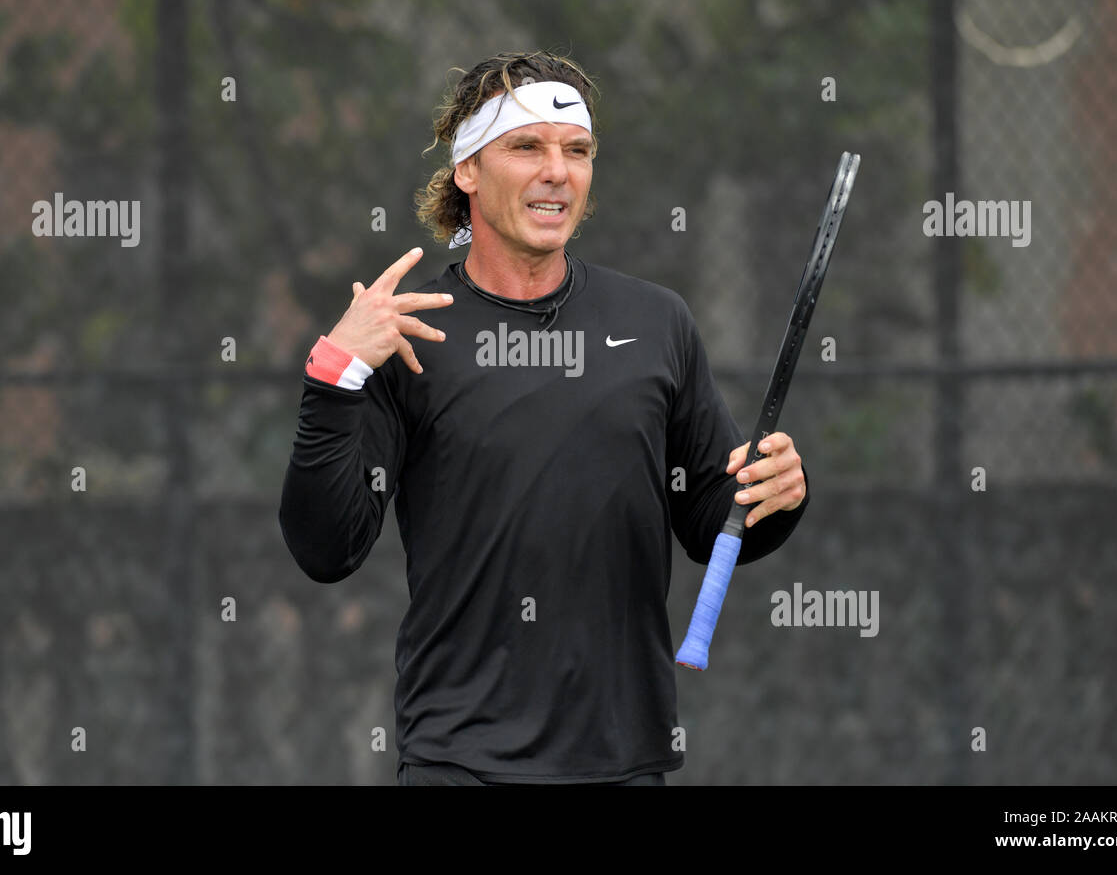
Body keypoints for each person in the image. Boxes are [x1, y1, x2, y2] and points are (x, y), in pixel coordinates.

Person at [279, 50, 810, 786]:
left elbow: (713, 521)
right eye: (526, 147)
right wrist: (334, 376)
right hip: (459, 762)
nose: (557, 170)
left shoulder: (657, 322)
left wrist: (776, 494)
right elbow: (324, 549)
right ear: (468, 170)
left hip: (625, 761)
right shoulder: (408, 334)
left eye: (578, 151)